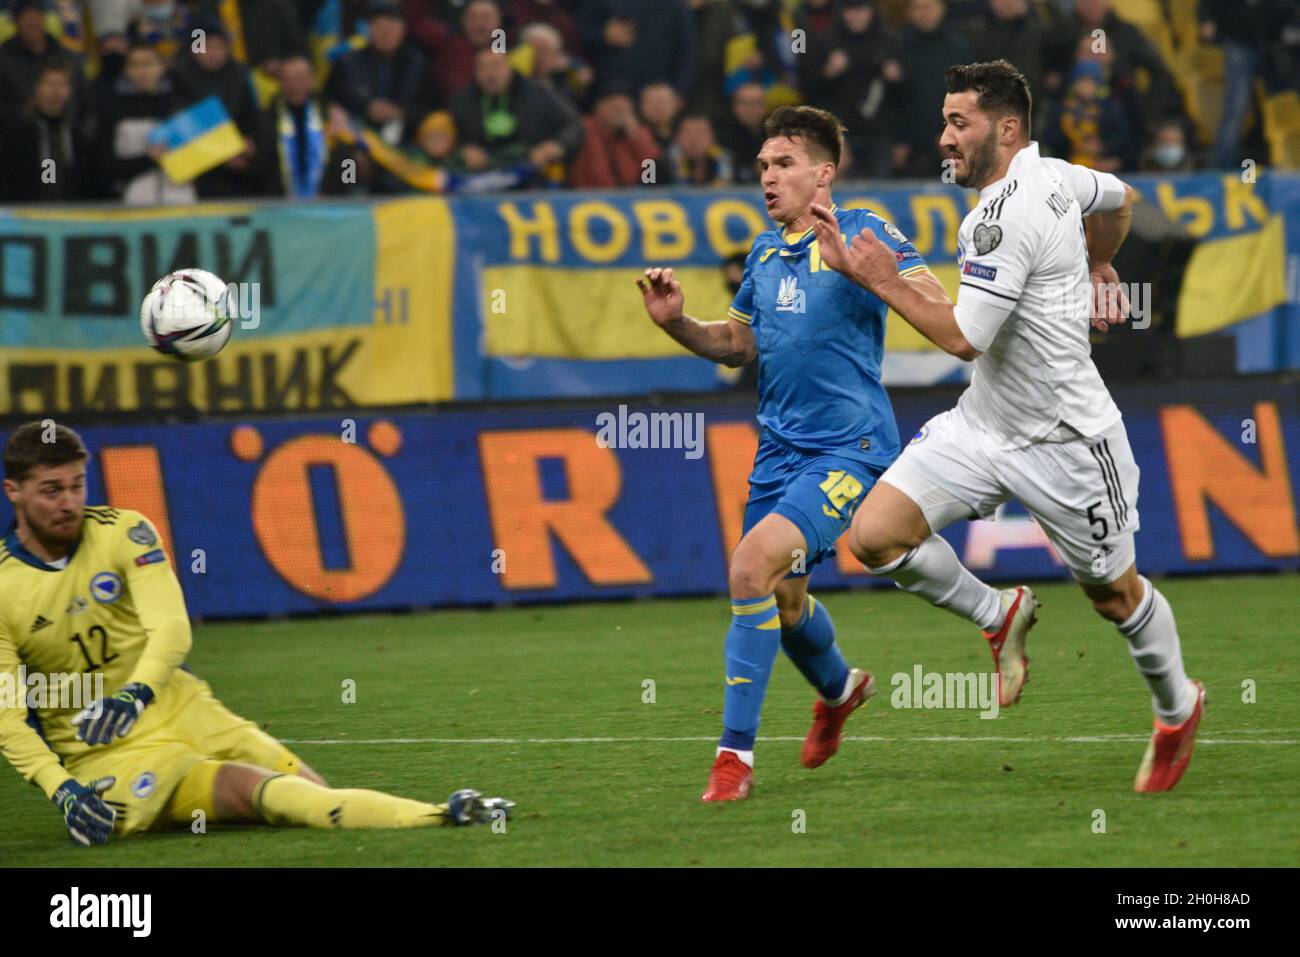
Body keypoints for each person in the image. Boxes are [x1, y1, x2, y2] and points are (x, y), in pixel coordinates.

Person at [810, 60, 1203, 793]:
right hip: (985, 424)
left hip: (1068, 442)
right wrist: (1101, 261)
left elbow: (964, 338)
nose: (945, 139)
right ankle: (999, 613)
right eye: (946, 121)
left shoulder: (1000, 217)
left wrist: (878, 278)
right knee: (873, 536)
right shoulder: (1056, 173)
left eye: (960, 123)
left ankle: (1177, 707)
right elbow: (1123, 197)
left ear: (1007, 128)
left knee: (1114, 595)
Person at [0, 422, 513, 845]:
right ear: (14, 491)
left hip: (186, 709)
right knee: (258, 793)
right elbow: (8, 716)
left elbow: (171, 628)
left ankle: (444, 814)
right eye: (51, 490)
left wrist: (136, 694)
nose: (68, 502)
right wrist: (64, 790)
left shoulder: (123, 531)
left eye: (76, 485)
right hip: (112, 757)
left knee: (311, 797)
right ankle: (447, 814)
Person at [637, 105, 945, 802]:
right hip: (777, 454)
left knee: (749, 568)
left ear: (823, 173)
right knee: (784, 597)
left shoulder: (865, 231)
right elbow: (737, 345)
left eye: (783, 165)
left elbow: (936, 304)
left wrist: (876, 278)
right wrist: (678, 321)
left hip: (850, 449)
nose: (768, 180)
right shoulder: (765, 252)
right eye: (763, 168)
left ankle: (733, 760)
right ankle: (840, 689)